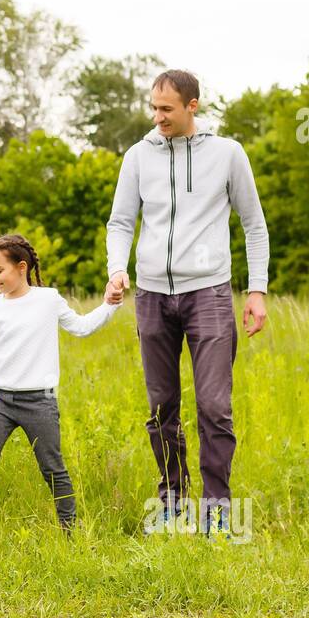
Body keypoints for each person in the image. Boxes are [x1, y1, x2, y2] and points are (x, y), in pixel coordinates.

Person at [103, 69, 269, 540]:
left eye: (167, 109)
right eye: (154, 108)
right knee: (161, 407)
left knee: (215, 407)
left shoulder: (227, 155)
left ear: (192, 106)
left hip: (210, 295)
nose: (158, 118)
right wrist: (118, 268)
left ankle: (217, 510)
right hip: (153, 296)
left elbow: (254, 224)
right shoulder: (138, 157)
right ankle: (173, 504)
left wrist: (256, 289)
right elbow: (120, 222)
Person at [0, 233, 120, 534]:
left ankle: (70, 527)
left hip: (39, 402)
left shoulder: (48, 300)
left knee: (52, 467)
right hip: (1, 400)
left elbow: (81, 327)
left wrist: (109, 305)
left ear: (21, 267)